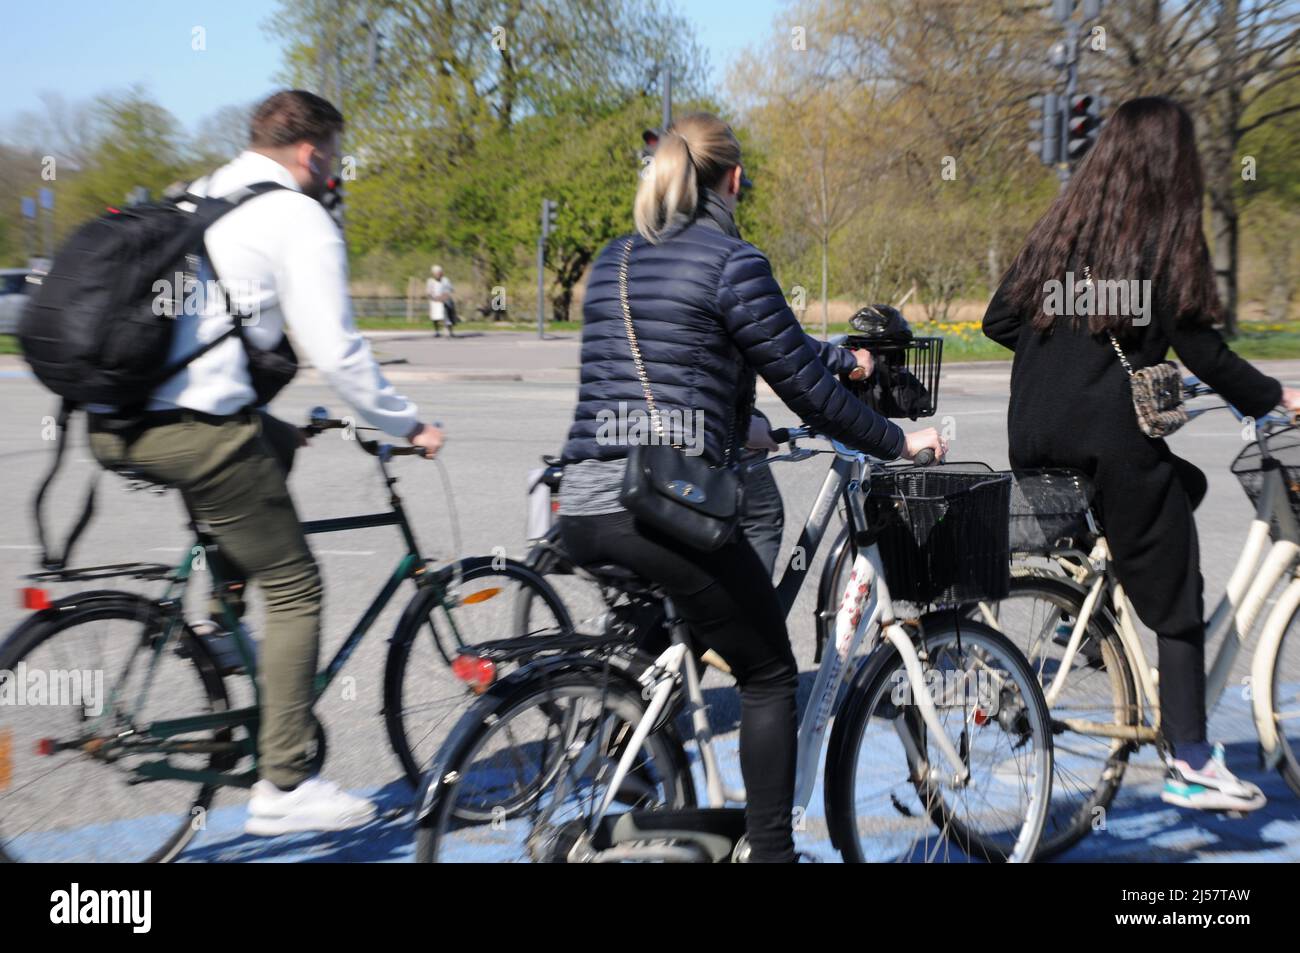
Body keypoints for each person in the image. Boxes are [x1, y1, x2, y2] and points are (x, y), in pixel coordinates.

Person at [556, 111, 943, 862]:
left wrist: (737, 426)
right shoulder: (732, 261)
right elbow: (806, 384)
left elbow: (667, 374)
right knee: (768, 671)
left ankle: (638, 776)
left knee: (683, 635)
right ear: (733, 180)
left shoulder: (613, 259)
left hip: (586, 502)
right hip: (659, 508)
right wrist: (898, 440)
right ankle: (771, 852)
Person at [86, 89, 445, 835]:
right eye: (335, 158)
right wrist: (406, 423)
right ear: (313, 153)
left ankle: (223, 626)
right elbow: (337, 351)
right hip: (192, 430)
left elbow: (213, 332)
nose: (335, 173)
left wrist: (281, 426)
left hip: (120, 418)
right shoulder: (295, 215)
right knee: (298, 586)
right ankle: (285, 783)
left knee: (266, 450)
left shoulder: (201, 192)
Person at [983, 96, 1300, 813]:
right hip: (1109, 440)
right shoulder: (1162, 237)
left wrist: (1066, 355)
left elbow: (999, 317)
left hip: (1032, 431)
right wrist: (1273, 397)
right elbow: (1203, 349)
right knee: (1179, 586)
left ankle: (1084, 614)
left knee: (1177, 487)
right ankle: (1190, 756)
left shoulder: (1065, 230)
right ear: (1169, 163)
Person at [427, 265, 455, 337]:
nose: (438, 275)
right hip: (435, 300)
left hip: (444, 300)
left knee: (447, 315)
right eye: (436, 273)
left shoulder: (445, 280)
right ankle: (437, 331)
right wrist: (434, 298)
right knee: (435, 317)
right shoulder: (430, 281)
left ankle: (450, 331)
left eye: (439, 273)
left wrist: (443, 298)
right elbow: (429, 293)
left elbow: (449, 290)